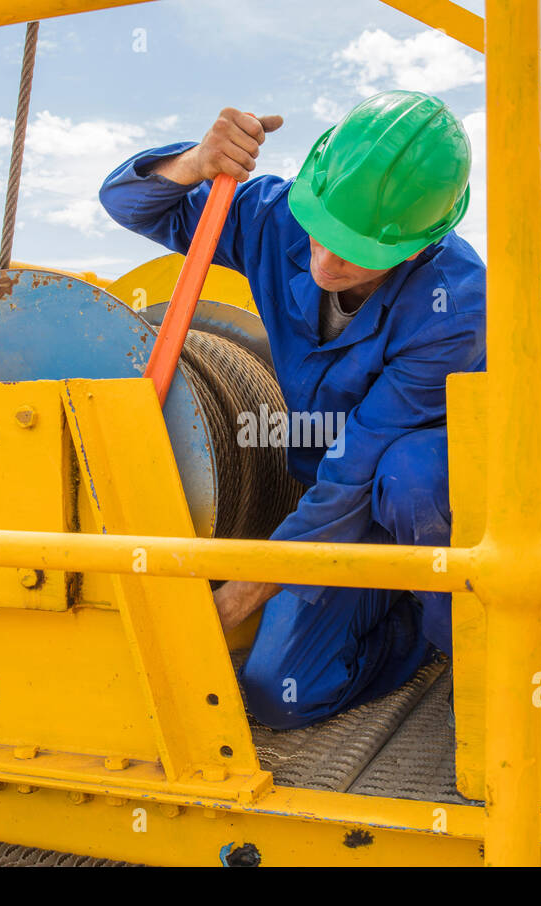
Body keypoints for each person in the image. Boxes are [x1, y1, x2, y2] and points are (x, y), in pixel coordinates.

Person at [99, 90, 486, 729]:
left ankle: (461, 641)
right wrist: (193, 163)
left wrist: (249, 589)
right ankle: (405, 630)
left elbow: (358, 465)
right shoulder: (276, 216)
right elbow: (129, 204)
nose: (326, 261)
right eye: (321, 230)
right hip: (330, 500)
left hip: (420, 500)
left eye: (357, 247)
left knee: (410, 475)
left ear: (421, 245)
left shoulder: (455, 303)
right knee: (280, 695)